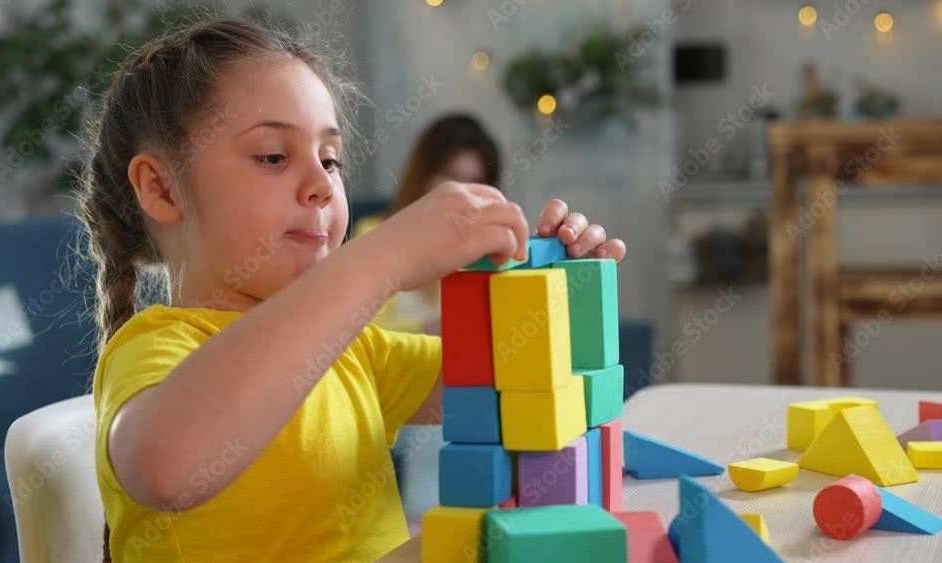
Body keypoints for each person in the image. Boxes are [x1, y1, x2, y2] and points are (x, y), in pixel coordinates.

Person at [80, 18, 627, 563]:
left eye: (331, 159)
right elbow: (168, 466)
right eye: (272, 156)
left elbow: (516, 382)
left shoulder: (354, 351)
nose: (321, 183)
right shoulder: (156, 347)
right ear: (161, 187)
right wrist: (382, 259)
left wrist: (559, 294)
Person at [354, 114, 502, 334]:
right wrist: (427, 329)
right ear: (423, 175)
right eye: (450, 176)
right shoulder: (373, 233)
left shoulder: (486, 249)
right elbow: (356, 330)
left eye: (474, 182)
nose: (461, 192)